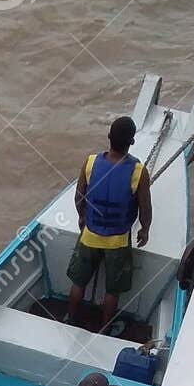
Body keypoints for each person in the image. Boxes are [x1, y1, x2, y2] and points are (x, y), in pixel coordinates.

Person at [67, 116, 153, 329]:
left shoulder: (90, 162)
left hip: (90, 234)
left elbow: (79, 196)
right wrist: (145, 229)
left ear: (109, 137)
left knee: (78, 283)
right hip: (118, 240)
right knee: (112, 291)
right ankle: (105, 327)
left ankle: (70, 318)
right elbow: (145, 207)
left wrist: (82, 216)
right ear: (131, 142)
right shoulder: (138, 171)